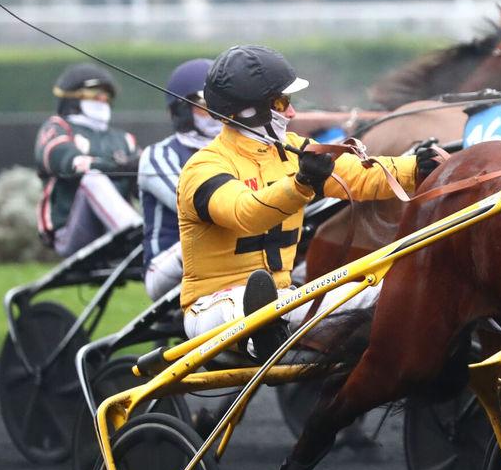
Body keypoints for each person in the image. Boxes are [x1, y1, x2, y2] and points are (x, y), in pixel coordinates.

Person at [176, 45, 440, 355]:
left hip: (284, 300)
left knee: (386, 290)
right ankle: (263, 338)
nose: (292, 113)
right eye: (281, 102)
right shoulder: (204, 167)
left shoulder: (295, 148)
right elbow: (245, 213)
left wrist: (415, 169)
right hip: (212, 309)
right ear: (248, 111)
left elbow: (358, 176)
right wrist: (301, 183)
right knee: (255, 308)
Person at [34, 64, 142, 257]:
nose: (102, 100)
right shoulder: (56, 128)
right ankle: (135, 234)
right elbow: (68, 163)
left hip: (113, 234)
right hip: (70, 234)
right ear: (72, 97)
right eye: (95, 95)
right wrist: (120, 167)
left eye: (106, 96)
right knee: (92, 177)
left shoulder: (124, 139)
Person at [138, 58, 220, 300]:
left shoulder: (233, 151)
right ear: (182, 110)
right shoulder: (158, 155)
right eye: (205, 106)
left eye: (221, 106)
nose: (215, 115)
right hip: (165, 265)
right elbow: (197, 207)